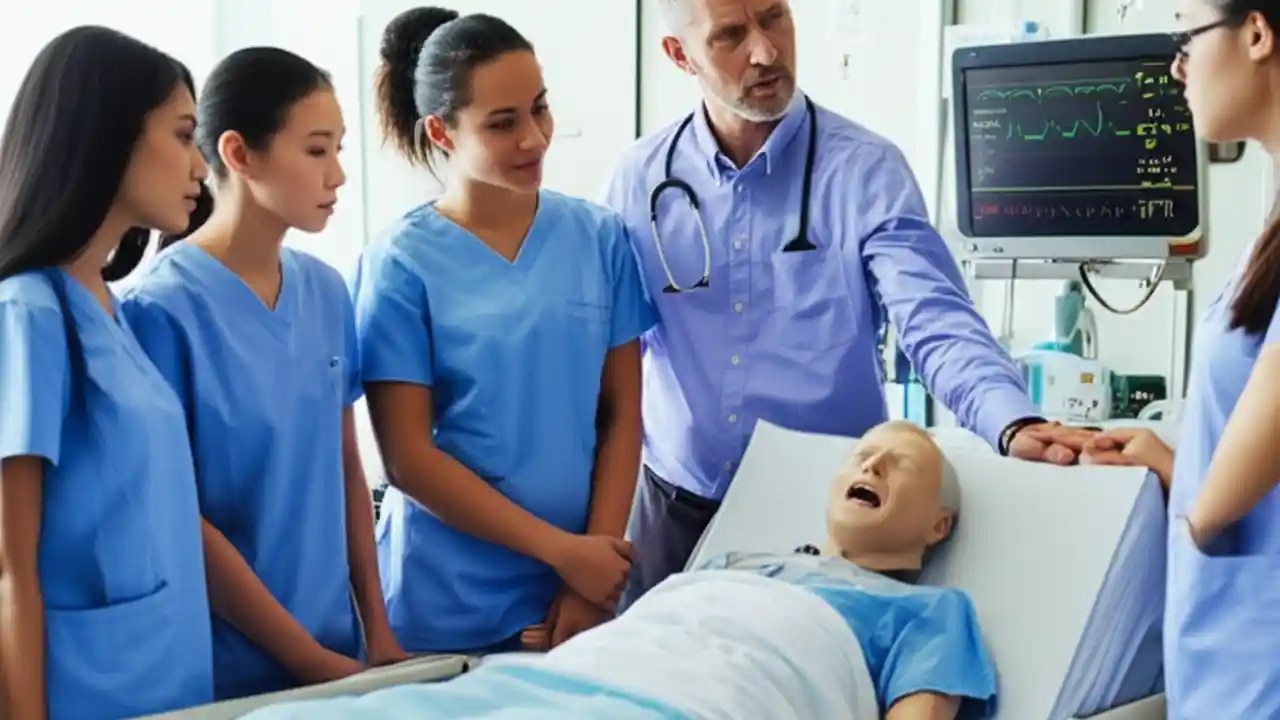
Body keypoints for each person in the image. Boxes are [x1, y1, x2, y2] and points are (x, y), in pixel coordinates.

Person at [601, 0, 1095, 609]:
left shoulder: (865, 170)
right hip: (674, 509)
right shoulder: (639, 178)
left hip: (825, 514)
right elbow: (611, 362)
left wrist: (1010, 420)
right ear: (681, 56)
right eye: (731, 35)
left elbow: (934, 318)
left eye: (774, 17)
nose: (766, 51)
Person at [238, 420, 996, 720]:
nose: (869, 463)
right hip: (538, 686)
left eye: (899, 464)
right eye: (860, 455)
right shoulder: (733, 564)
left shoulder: (927, 613)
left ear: (939, 525)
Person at [354, 7, 656, 654]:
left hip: (579, 595)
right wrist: (563, 553)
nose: (534, 139)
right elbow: (407, 458)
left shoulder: (598, 239)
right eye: (503, 123)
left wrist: (590, 578)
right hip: (445, 605)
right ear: (441, 131)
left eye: (539, 109)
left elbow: (622, 414)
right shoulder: (402, 264)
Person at [119, 48, 407, 700]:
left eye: (339, 148)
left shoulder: (327, 291)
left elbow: (345, 467)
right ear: (240, 155)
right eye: (315, 151)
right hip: (227, 669)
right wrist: (304, 657)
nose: (338, 174)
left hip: (341, 650)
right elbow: (180, 520)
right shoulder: (160, 312)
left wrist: (377, 629)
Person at [0, 26, 214, 719]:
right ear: (111, 134)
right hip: (86, 694)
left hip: (168, 683)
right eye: (183, 136)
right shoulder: (27, 313)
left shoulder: (109, 309)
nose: (201, 167)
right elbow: (9, 572)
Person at [1082, 2, 1280, 717]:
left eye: (1185, 38)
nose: (1176, 67)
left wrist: (1194, 514)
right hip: (1226, 659)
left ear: (1257, 32)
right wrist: (1171, 465)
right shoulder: (1270, 227)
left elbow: (1226, 497)